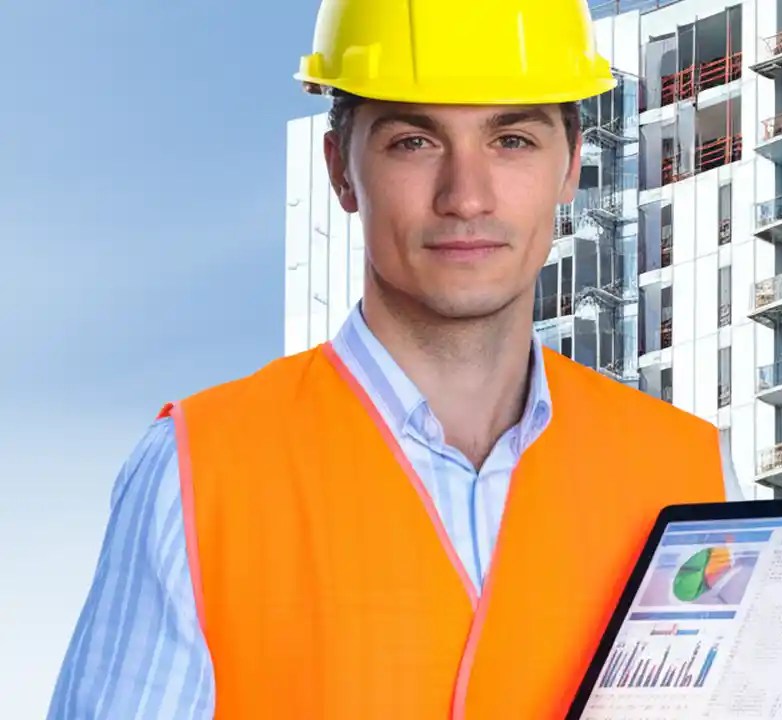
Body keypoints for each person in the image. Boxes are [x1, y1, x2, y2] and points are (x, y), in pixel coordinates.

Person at [46, 0, 744, 717]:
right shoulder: (198, 473)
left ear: (570, 165)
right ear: (341, 172)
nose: (466, 197)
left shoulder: (691, 473)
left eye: (511, 140)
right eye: (414, 142)